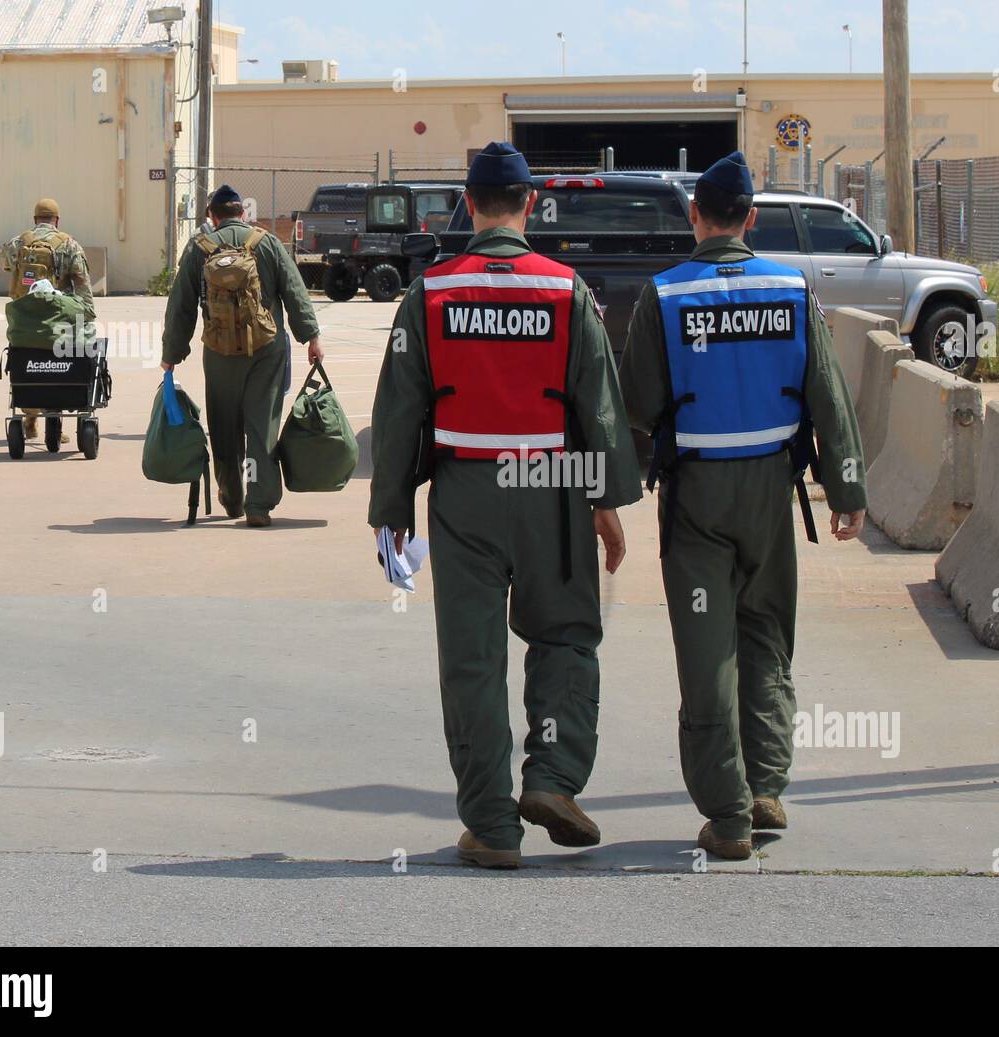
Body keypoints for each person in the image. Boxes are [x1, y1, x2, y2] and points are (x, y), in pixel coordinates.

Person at [369, 142, 642, 869]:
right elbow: (599, 405)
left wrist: (392, 508)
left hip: (464, 493)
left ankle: (492, 823)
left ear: (469, 200)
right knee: (565, 637)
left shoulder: (430, 293)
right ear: (528, 205)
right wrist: (606, 498)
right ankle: (551, 777)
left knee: (473, 658)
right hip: (551, 486)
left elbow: (399, 412)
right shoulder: (565, 289)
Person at [619, 151, 868, 861]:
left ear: (695, 216)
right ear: (751, 219)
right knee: (766, 636)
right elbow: (829, 396)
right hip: (770, 494)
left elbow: (637, 402)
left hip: (697, 496)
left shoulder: (665, 295)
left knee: (708, 652)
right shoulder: (790, 291)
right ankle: (766, 785)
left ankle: (727, 813)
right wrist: (846, 490)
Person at [161, 185, 322, 527]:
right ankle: (258, 503)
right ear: (243, 214)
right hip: (266, 350)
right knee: (261, 427)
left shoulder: (198, 248)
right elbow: (295, 292)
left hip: (219, 354)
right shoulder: (267, 243)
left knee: (223, 428)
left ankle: (232, 498)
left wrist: (171, 353)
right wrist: (311, 337)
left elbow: (181, 307)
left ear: (212, 216)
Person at [0, 198, 95, 441]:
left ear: (34, 220)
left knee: (27, 363)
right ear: (57, 220)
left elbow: (6, 267)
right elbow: (83, 287)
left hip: (23, 321)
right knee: (56, 365)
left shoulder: (17, 242)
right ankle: (54, 419)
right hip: (56, 320)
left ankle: (30, 420)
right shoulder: (69, 245)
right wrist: (86, 315)